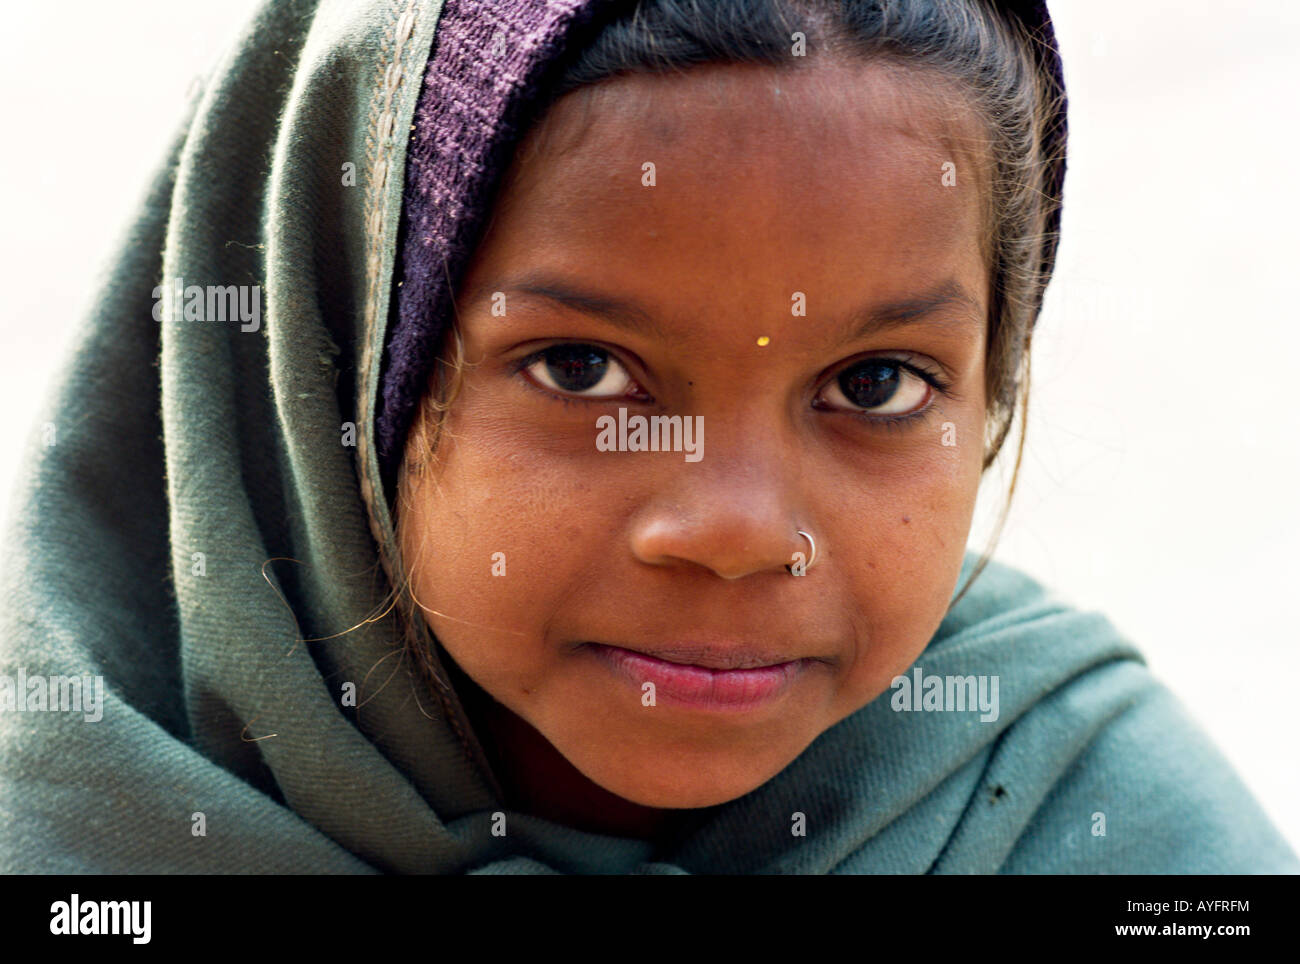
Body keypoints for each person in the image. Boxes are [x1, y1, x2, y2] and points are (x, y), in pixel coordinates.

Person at [1, 0, 1294, 874]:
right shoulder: (83, 831)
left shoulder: (1105, 832)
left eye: (878, 384)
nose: (736, 531)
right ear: (329, 363)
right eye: (581, 369)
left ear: (993, 387)